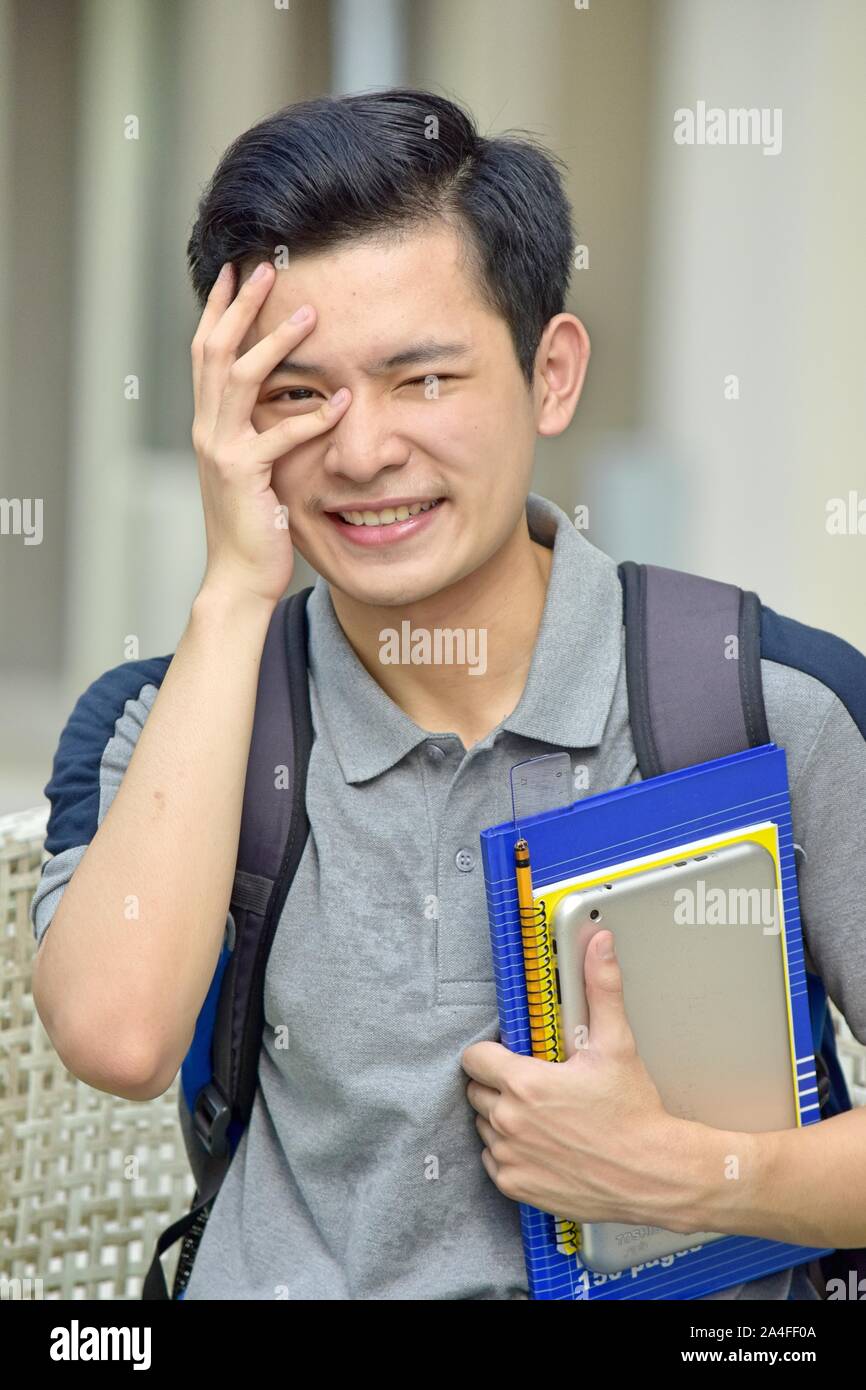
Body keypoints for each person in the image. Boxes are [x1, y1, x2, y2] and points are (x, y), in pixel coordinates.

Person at [30, 88, 866, 1301]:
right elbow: (116, 1039)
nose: (360, 449)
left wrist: (685, 1173)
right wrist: (232, 593)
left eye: (420, 378)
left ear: (551, 372)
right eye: (295, 391)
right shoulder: (167, 723)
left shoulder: (766, 702)